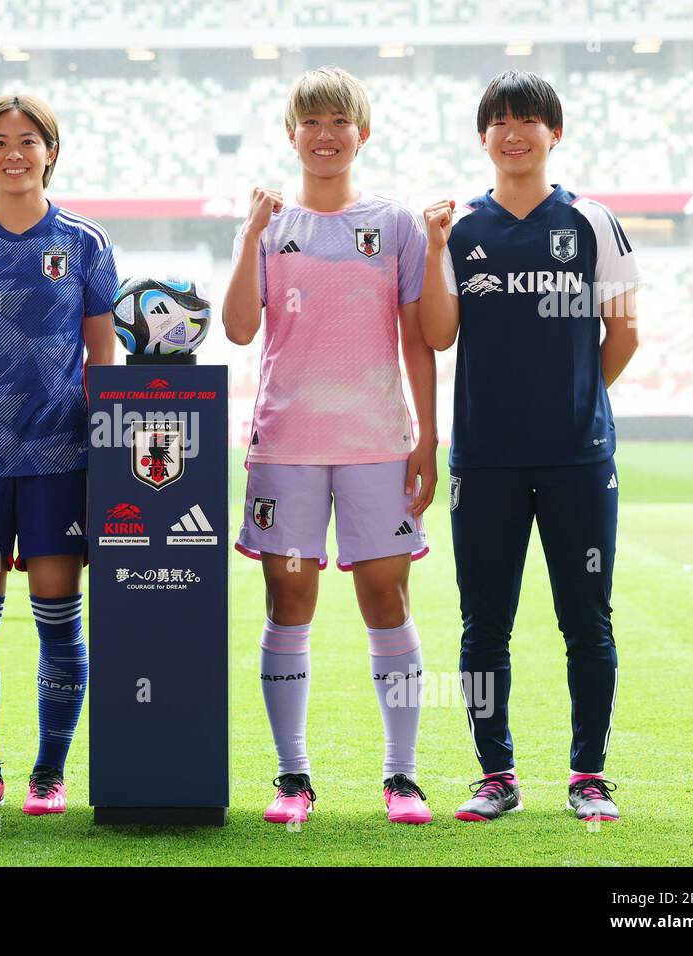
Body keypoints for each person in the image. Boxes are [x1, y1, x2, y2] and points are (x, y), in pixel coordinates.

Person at [418, 70, 641, 823]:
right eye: (499, 122)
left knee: (588, 621)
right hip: (484, 460)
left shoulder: (590, 220)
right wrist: (436, 244)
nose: (514, 134)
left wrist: (576, 406)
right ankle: (496, 776)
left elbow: (625, 332)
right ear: (483, 137)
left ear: (556, 133)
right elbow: (440, 335)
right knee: (484, 622)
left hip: (579, 459)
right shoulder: (459, 228)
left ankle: (588, 776)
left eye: (529, 121)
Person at [223, 66, 438, 826]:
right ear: (291, 135)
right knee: (290, 598)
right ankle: (292, 778)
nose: (324, 134)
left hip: (379, 442)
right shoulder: (270, 226)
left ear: (361, 132)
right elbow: (241, 329)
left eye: (338, 121)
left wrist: (428, 439)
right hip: (285, 446)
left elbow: (419, 339)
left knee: (386, 597)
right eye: (309, 122)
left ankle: (403, 777)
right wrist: (249, 233)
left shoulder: (399, 223)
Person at [0, 93, 118, 816]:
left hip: (59, 459)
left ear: (50, 152)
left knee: (57, 616)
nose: (14, 152)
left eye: (28, 140)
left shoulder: (87, 243)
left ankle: (48, 774)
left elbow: (103, 359)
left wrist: (108, 458)